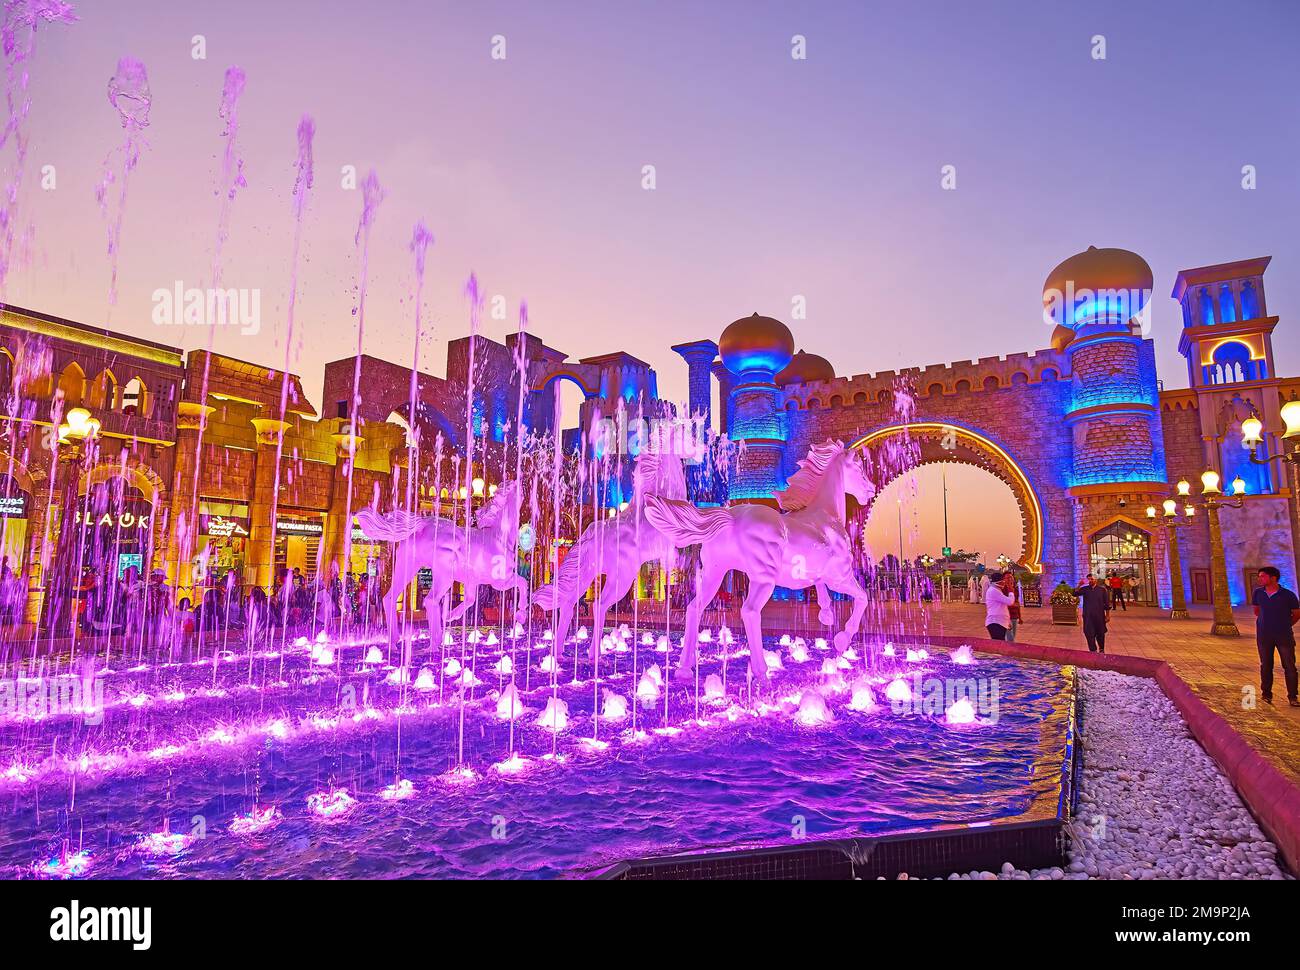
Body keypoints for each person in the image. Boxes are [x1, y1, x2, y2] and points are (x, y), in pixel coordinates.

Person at [1251, 566, 1300, 707]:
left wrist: (1285, 624)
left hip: (1284, 636)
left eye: (1263, 576)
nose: (1260, 579)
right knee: (1266, 665)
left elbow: (1296, 613)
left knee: (1289, 666)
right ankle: (1266, 694)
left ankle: (1293, 696)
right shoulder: (1258, 593)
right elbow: (1257, 611)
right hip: (1264, 636)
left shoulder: (1288, 595)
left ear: (1273, 578)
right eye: (1259, 576)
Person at [1073, 575, 1111, 653]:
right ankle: (1092, 650)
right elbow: (1074, 593)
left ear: (1096, 580)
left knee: (1100, 633)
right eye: (1089, 579)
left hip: (1099, 616)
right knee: (1089, 632)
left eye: (1092, 579)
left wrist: (1107, 615)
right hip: (1088, 616)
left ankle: (1101, 649)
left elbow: (1106, 604)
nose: (1090, 581)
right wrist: (1079, 585)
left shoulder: (1102, 590)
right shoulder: (1085, 589)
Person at [984, 571, 1015, 641]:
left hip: (1000, 621)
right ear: (998, 582)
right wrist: (1011, 592)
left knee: (1000, 642)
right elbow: (1010, 602)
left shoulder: (997, 590)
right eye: (1003, 581)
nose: (1004, 583)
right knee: (999, 644)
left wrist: (1007, 621)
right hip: (995, 622)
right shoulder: (993, 590)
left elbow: (1002, 607)